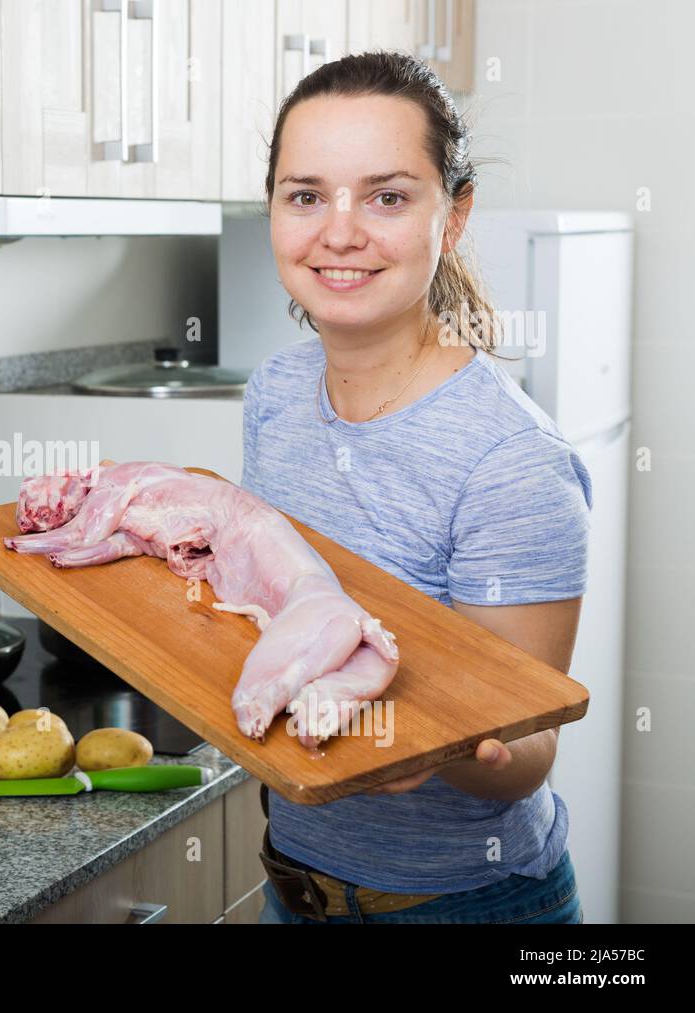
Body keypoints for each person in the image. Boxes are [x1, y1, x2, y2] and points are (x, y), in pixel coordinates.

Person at [246, 51, 589, 924]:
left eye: (388, 196)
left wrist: (431, 748)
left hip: (464, 905)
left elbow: (533, 746)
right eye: (307, 194)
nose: (341, 231)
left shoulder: (510, 459)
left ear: (455, 213)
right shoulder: (275, 395)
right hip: (293, 883)